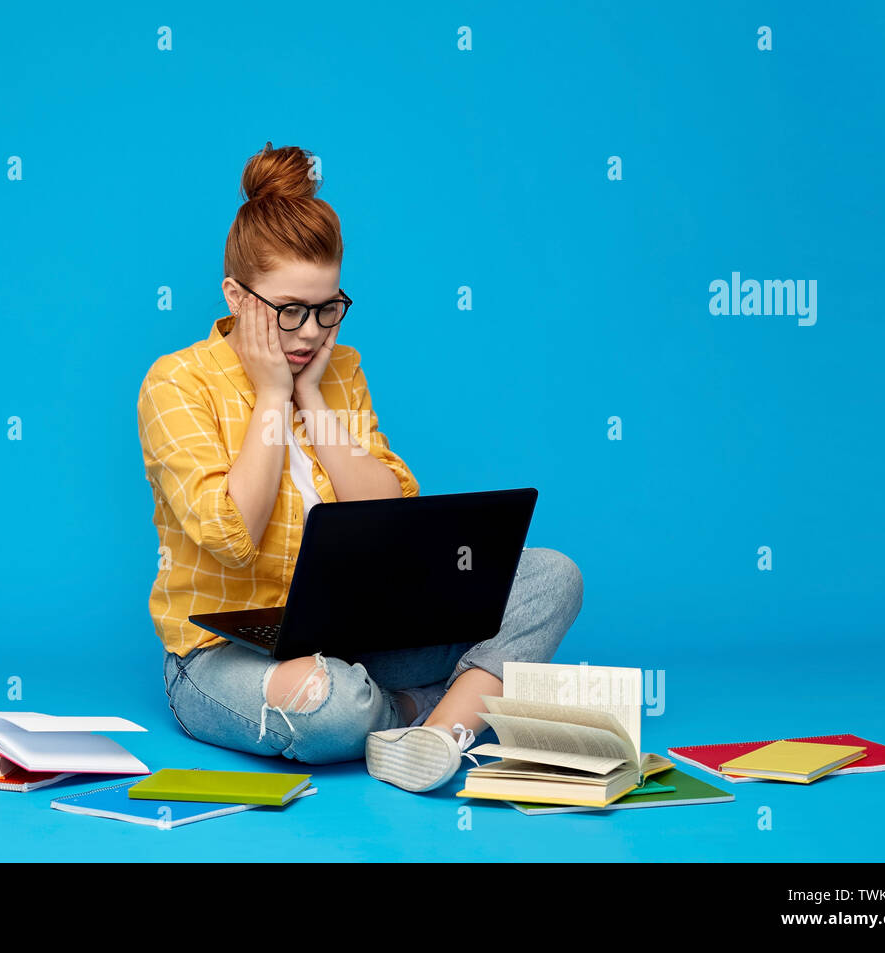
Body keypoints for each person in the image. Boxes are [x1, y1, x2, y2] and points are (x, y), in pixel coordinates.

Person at [136, 142, 583, 792]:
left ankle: (440, 739)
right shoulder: (176, 383)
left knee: (551, 575)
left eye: (327, 309)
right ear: (235, 295)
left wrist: (312, 398)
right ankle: (415, 708)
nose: (311, 332)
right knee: (330, 705)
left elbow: (392, 520)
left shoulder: (339, 371)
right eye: (288, 310)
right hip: (221, 655)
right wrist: (268, 395)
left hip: (356, 639)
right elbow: (230, 537)